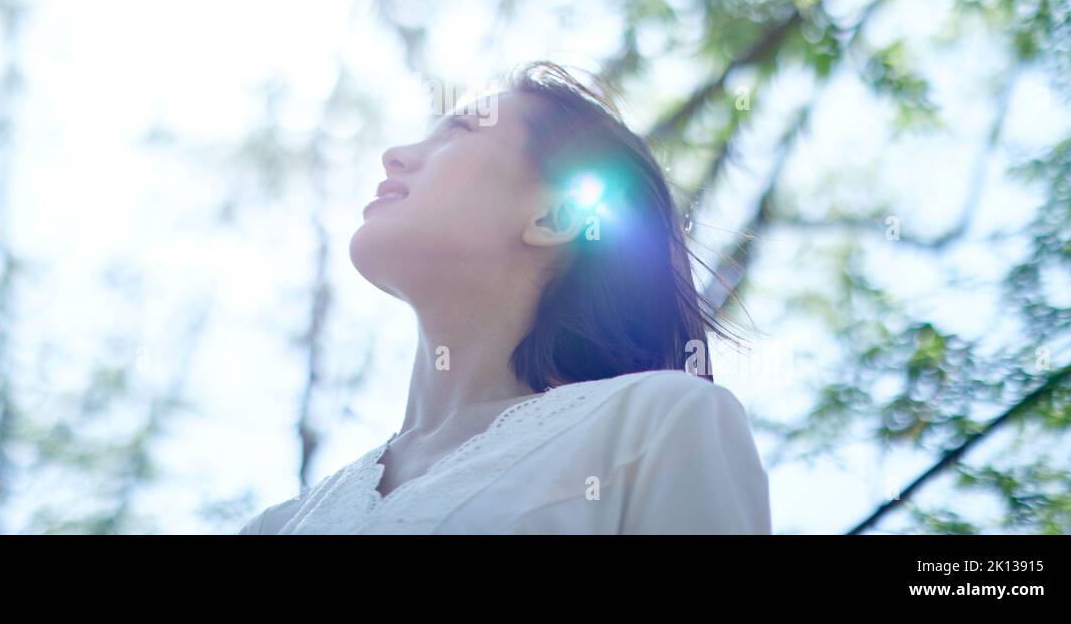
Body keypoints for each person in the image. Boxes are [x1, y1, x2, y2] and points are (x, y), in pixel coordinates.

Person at [239, 61, 771, 534]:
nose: (395, 155)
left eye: (457, 131)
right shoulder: (277, 523)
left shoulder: (660, 423)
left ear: (554, 217)